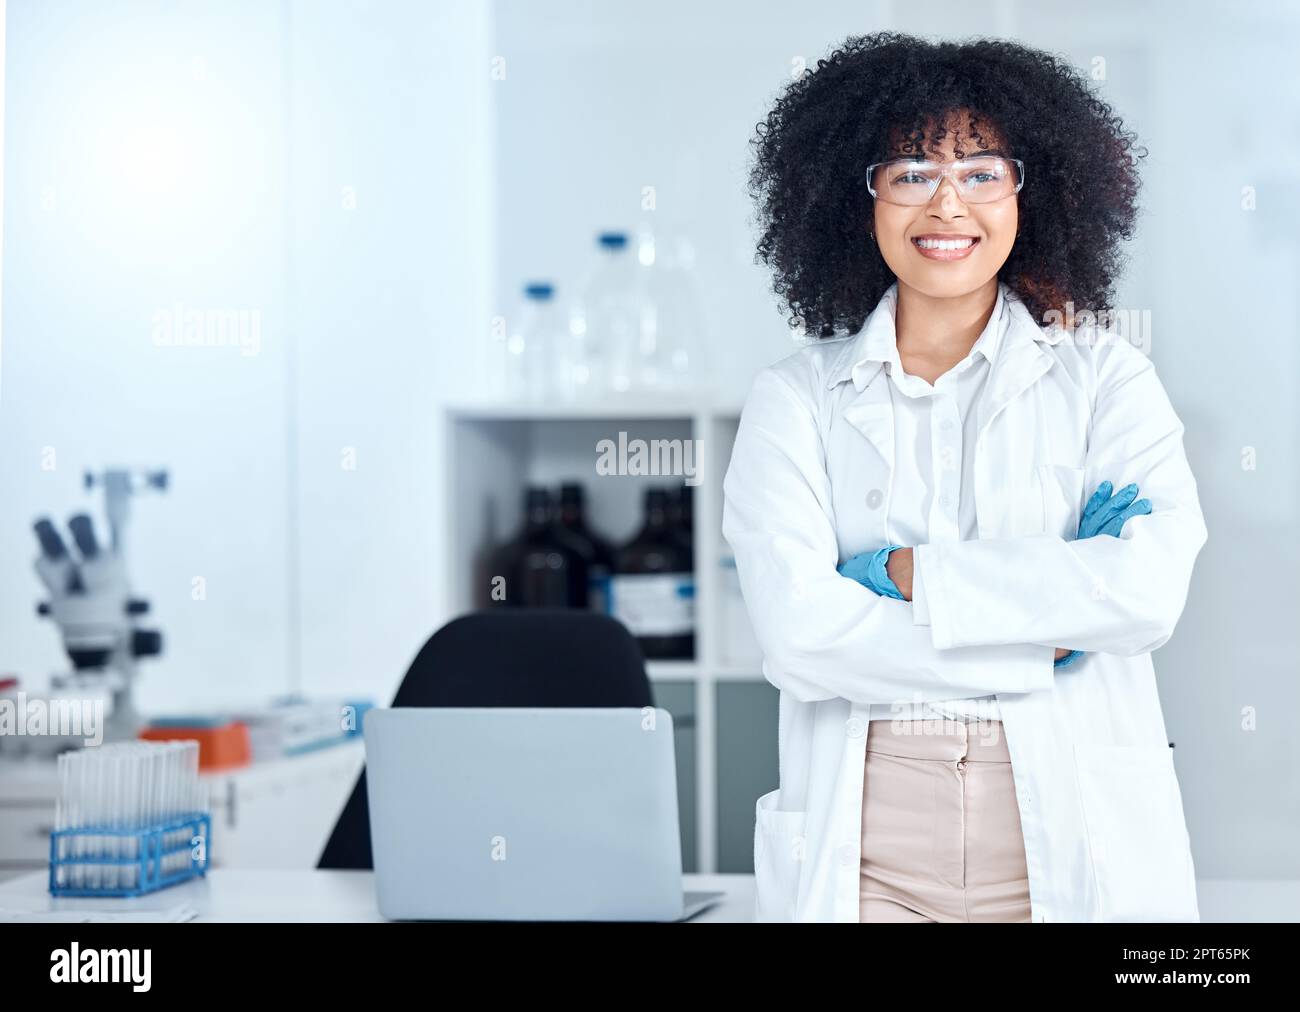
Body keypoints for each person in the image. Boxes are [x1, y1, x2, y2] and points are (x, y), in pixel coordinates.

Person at [723, 32, 1208, 922]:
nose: (948, 204)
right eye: (911, 172)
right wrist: (1045, 635)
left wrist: (913, 579)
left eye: (983, 172)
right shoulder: (795, 398)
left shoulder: (1107, 378)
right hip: (866, 856)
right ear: (857, 197)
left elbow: (1144, 595)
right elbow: (799, 638)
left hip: (1070, 834)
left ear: (1032, 192)